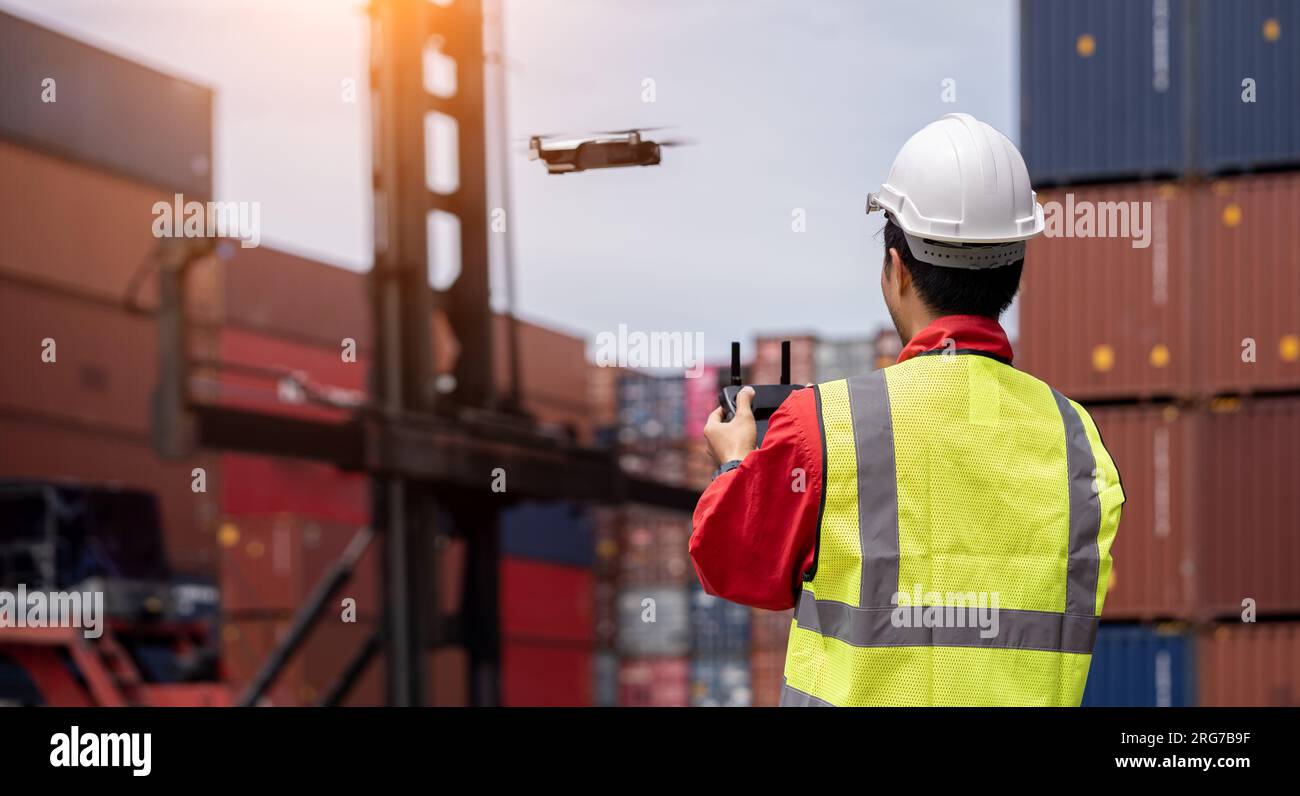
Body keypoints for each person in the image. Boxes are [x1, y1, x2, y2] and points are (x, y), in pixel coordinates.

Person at [690, 113, 1123, 706]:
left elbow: (731, 563)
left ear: (895, 270)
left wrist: (734, 464)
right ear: (1013, 271)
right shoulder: (1080, 444)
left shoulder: (827, 427)